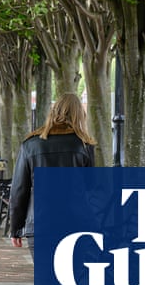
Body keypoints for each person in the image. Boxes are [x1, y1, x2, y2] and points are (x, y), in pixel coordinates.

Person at [9, 93, 95, 255]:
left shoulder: (31, 145)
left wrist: (15, 228)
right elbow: (90, 188)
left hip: (40, 225)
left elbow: (19, 190)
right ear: (80, 115)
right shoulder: (84, 146)